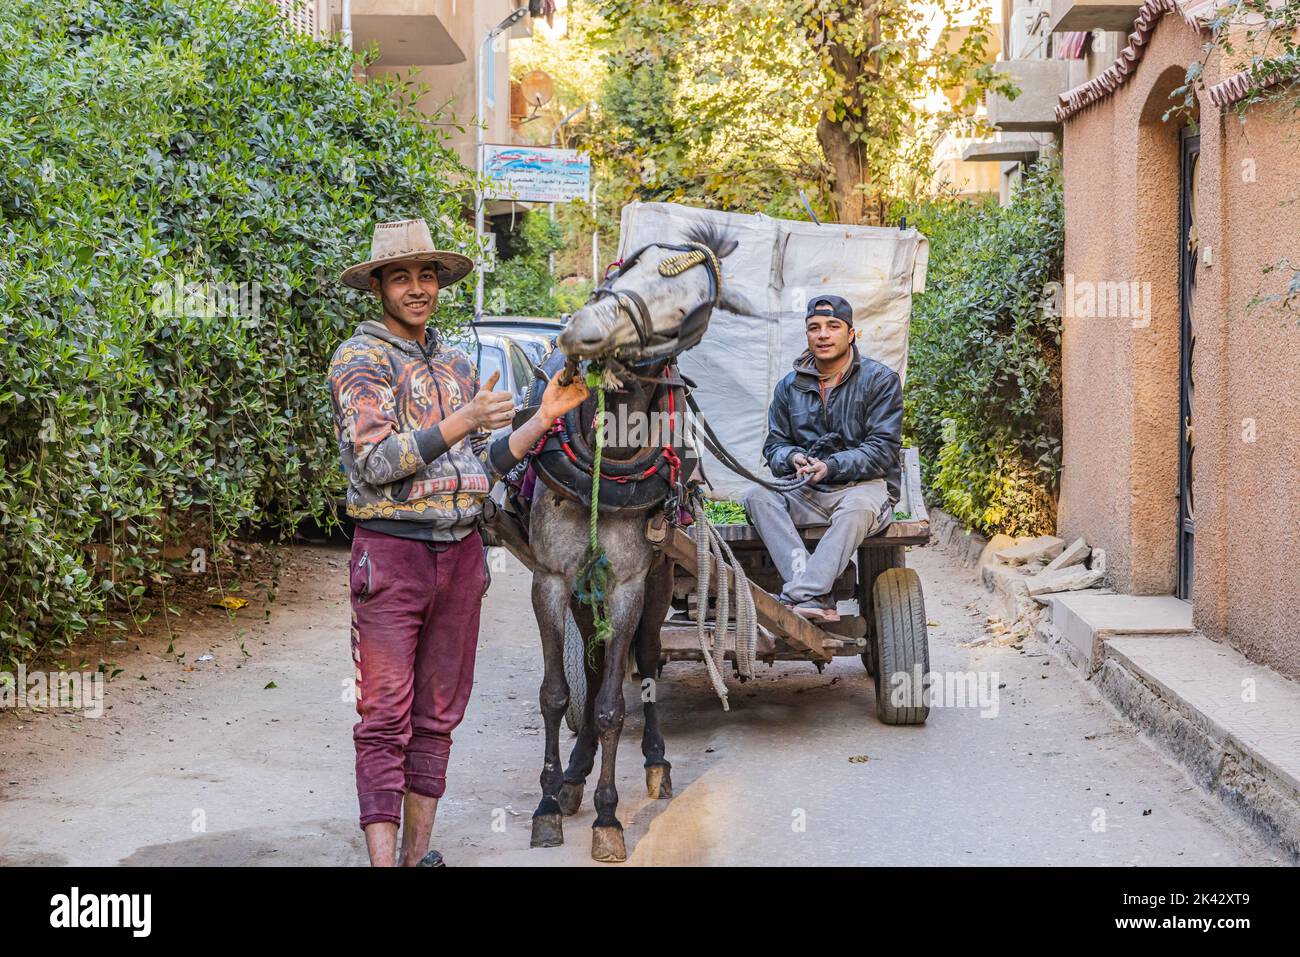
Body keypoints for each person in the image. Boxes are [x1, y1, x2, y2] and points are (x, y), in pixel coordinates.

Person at [328, 218, 588, 866]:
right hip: (391, 554)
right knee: (385, 716)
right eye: (402, 276)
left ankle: (416, 858)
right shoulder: (360, 360)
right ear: (378, 286)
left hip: (462, 556)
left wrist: (543, 418)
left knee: (438, 713)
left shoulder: (454, 362)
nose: (417, 288)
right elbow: (376, 461)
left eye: (427, 275)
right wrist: (461, 420)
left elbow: (483, 462)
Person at [742, 294, 903, 623]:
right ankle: (814, 592)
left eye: (833, 326)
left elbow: (883, 449)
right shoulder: (789, 387)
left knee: (856, 509)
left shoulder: (880, 380)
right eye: (814, 327)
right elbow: (775, 446)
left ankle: (803, 593)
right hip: (807, 490)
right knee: (757, 496)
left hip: (862, 487)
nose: (823, 334)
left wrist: (831, 466)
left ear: (851, 333)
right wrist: (794, 458)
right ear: (807, 335)